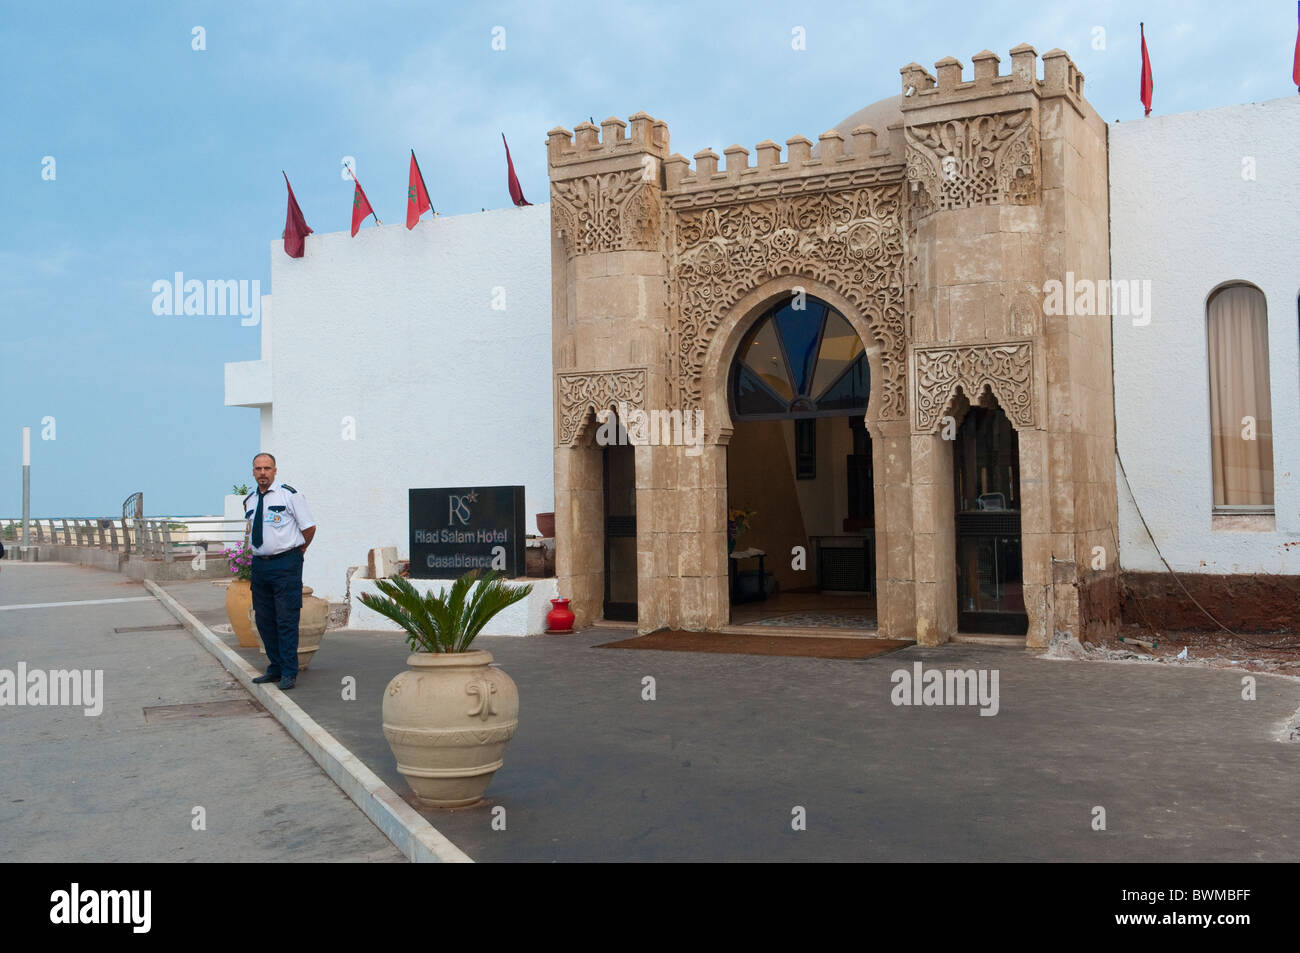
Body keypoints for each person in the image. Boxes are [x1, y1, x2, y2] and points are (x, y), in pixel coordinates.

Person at [244, 452, 316, 690]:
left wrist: (299, 550)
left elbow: (309, 527)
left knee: (286, 618)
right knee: (265, 619)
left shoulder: (290, 495)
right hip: (260, 565)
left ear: (275, 471)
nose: (262, 472)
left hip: (286, 564)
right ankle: (275, 668)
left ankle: (288, 671)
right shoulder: (250, 500)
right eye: (258, 468)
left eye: (267, 468)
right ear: (253, 472)